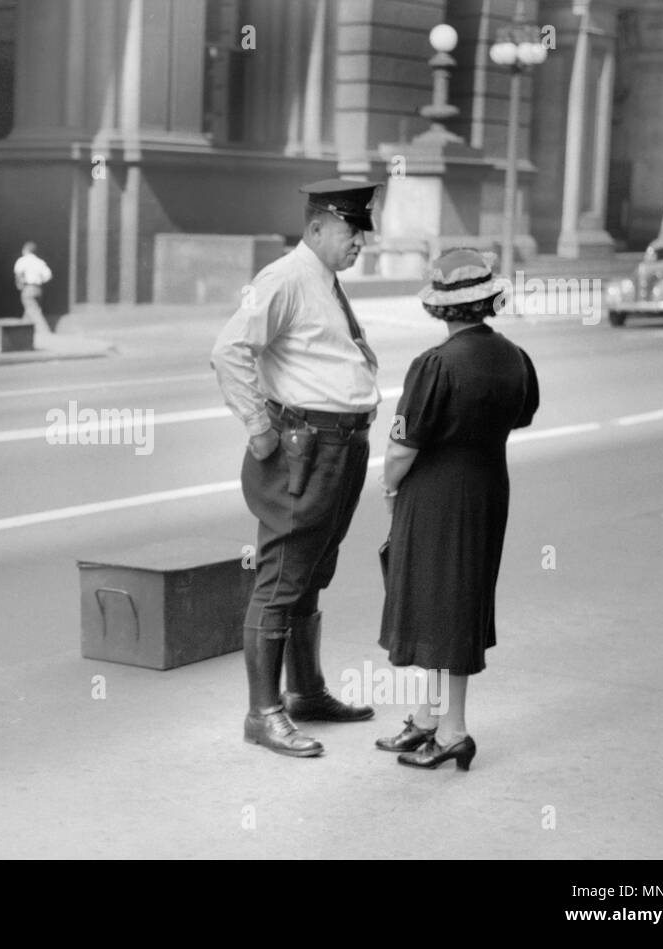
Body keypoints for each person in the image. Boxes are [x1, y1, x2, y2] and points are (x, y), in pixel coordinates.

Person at [211, 179, 383, 758]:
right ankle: (263, 713)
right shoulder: (285, 277)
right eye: (349, 230)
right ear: (315, 229)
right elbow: (229, 349)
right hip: (303, 449)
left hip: (340, 448)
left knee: (311, 570)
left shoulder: (323, 279)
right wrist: (258, 426)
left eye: (361, 231)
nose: (359, 241)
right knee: (283, 576)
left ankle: (305, 691)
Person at [375, 248, 540, 771]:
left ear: (441, 308)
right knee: (451, 601)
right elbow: (523, 415)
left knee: (440, 604)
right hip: (488, 486)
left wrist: (389, 485)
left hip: (437, 494)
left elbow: (404, 446)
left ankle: (453, 732)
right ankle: (429, 717)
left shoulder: (435, 364)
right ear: (488, 299)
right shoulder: (516, 357)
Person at [13, 241, 52, 334]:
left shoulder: (22, 260)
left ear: (26, 250)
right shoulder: (40, 262)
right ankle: (22, 332)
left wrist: (20, 284)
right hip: (38, 289)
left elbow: (18, 273)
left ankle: (45, 331)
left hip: (28, 288)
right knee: (30, 310)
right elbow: (48, 275)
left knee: (34, 311)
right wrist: (40, 281)